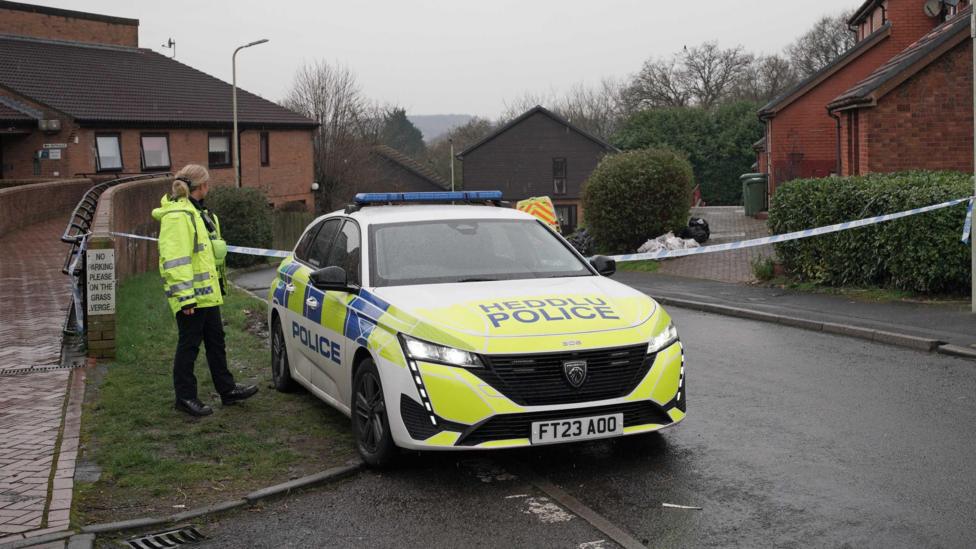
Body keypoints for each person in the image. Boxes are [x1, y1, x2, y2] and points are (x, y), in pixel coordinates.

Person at [152, 164, 257, 417]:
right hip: (192, 297)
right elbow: (176, 261)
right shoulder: (179, 216)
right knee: (189, 345)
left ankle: (227, 389)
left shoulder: (198, 213)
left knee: (215, 341)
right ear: (202, 186)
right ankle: (185, 397)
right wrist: (186, 298)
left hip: (207, 295)